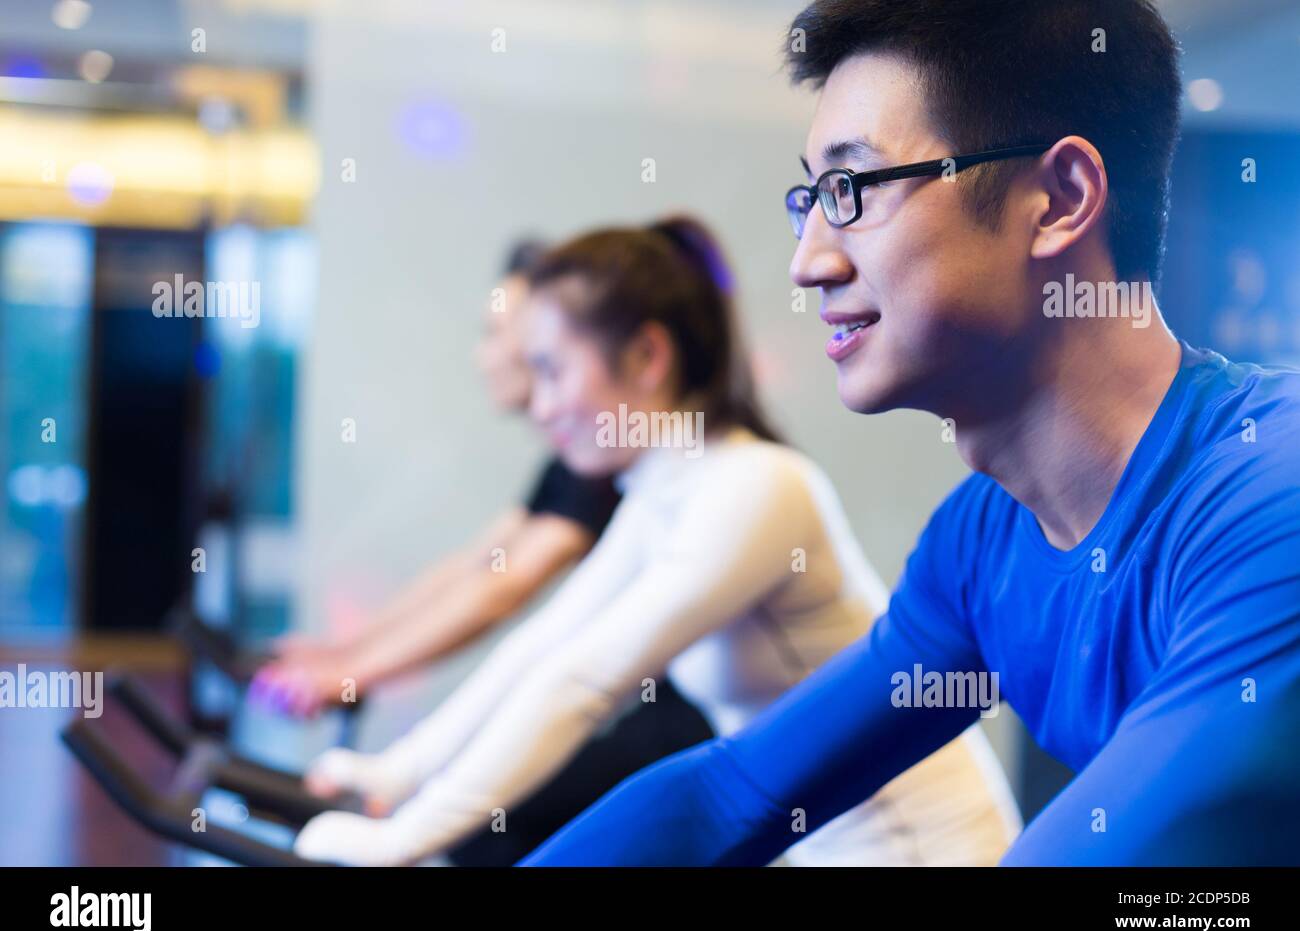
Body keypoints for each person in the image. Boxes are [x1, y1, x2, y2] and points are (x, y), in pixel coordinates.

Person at [520, 0, 1300, 867]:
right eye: (810, 200)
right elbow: (725, 799)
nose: (808, 260)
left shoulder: (1273, 497)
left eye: (853, 190)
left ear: (1060, 201)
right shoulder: (980, 545)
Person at [291, 216, 1022, 866]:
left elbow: (582, 685)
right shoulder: (665, 490)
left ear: (646, 357)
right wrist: (396, 776)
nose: (540, 406)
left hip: (928, 850)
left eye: (552, 371)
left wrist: (405, 839)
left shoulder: (755, 486)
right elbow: (544, 648)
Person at [252, 241, 714, 864]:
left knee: (486, 828)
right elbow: (481, 572)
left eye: (514, 338)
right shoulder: (610, 466)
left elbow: (509, 601)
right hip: (672, 716)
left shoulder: (639, 464)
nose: (492, 354)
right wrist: (348, 661)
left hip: (693, 730)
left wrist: (359, 681)